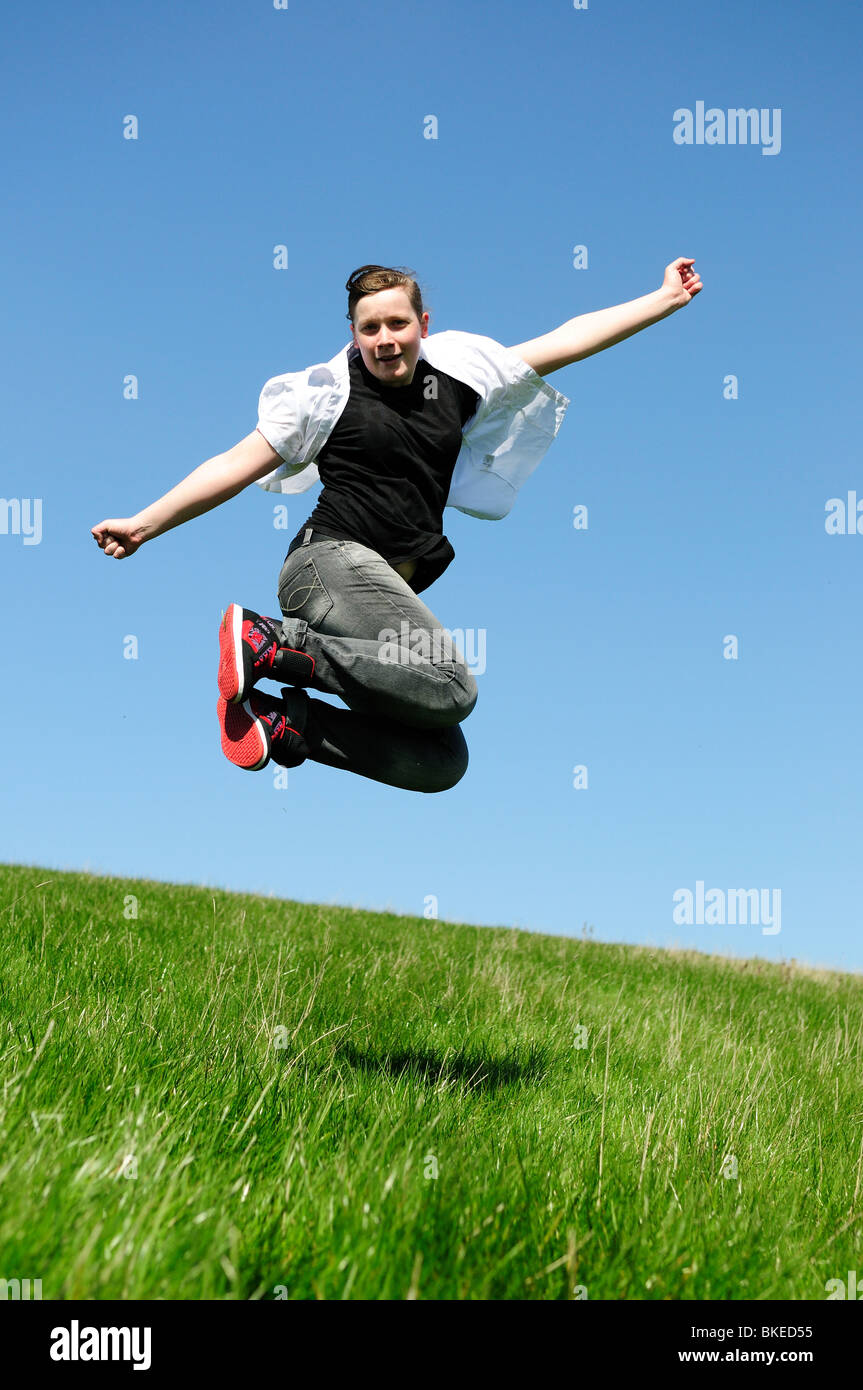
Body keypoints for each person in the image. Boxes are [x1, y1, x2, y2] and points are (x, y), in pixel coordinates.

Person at [92, 258, 702, 793]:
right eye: (370, 328)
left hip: (375, 586)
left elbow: (566, 341)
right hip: (326, 565)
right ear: (354, 335)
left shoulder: (461, 375)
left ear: (423, 325)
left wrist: (664, 299)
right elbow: (232, 464)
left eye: (397, 324)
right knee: (453, 683)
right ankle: (272, 644)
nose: (385, 340)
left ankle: (290, 726)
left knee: (441, 757)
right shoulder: (325, 395)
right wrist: (145, 525)